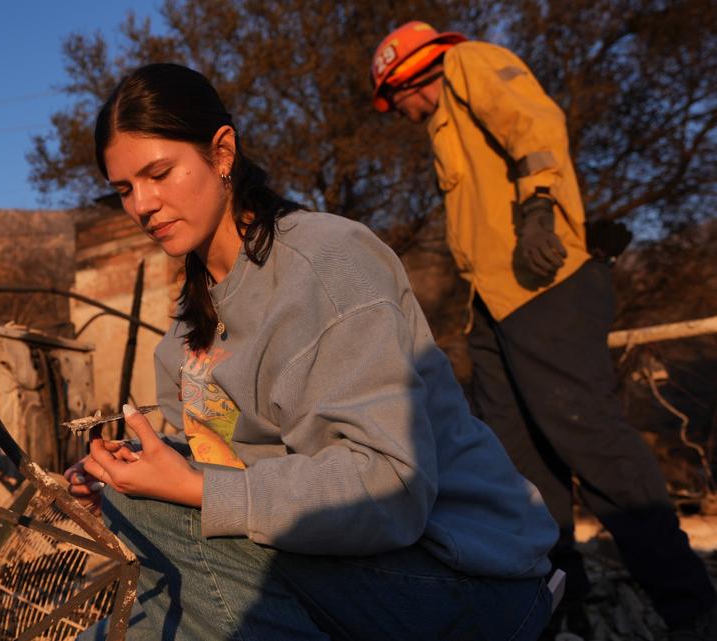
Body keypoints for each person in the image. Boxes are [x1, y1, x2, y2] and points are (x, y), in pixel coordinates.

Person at [67, 62, 558, 641]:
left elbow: (391, 488)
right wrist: (128, 471)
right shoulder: (182, 335)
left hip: (460, 576)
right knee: (119, 610)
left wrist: (186, 490)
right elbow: (213, 468)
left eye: (160, 173)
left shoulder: (327, 265)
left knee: (155, 518)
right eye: (125, 189)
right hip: (334, 569)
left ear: (222, 152)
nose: (143, 205)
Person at [369, 21, 717, 639]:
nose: (400, 114)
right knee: (515, 463)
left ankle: (691, 607)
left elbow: (536, 122)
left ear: (408, 75)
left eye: (394, 100)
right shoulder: (445, 120)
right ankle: (558, 603)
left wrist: (539, 210)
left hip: (545, 289)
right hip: (496, 308)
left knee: (590, 439)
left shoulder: (469, 64)